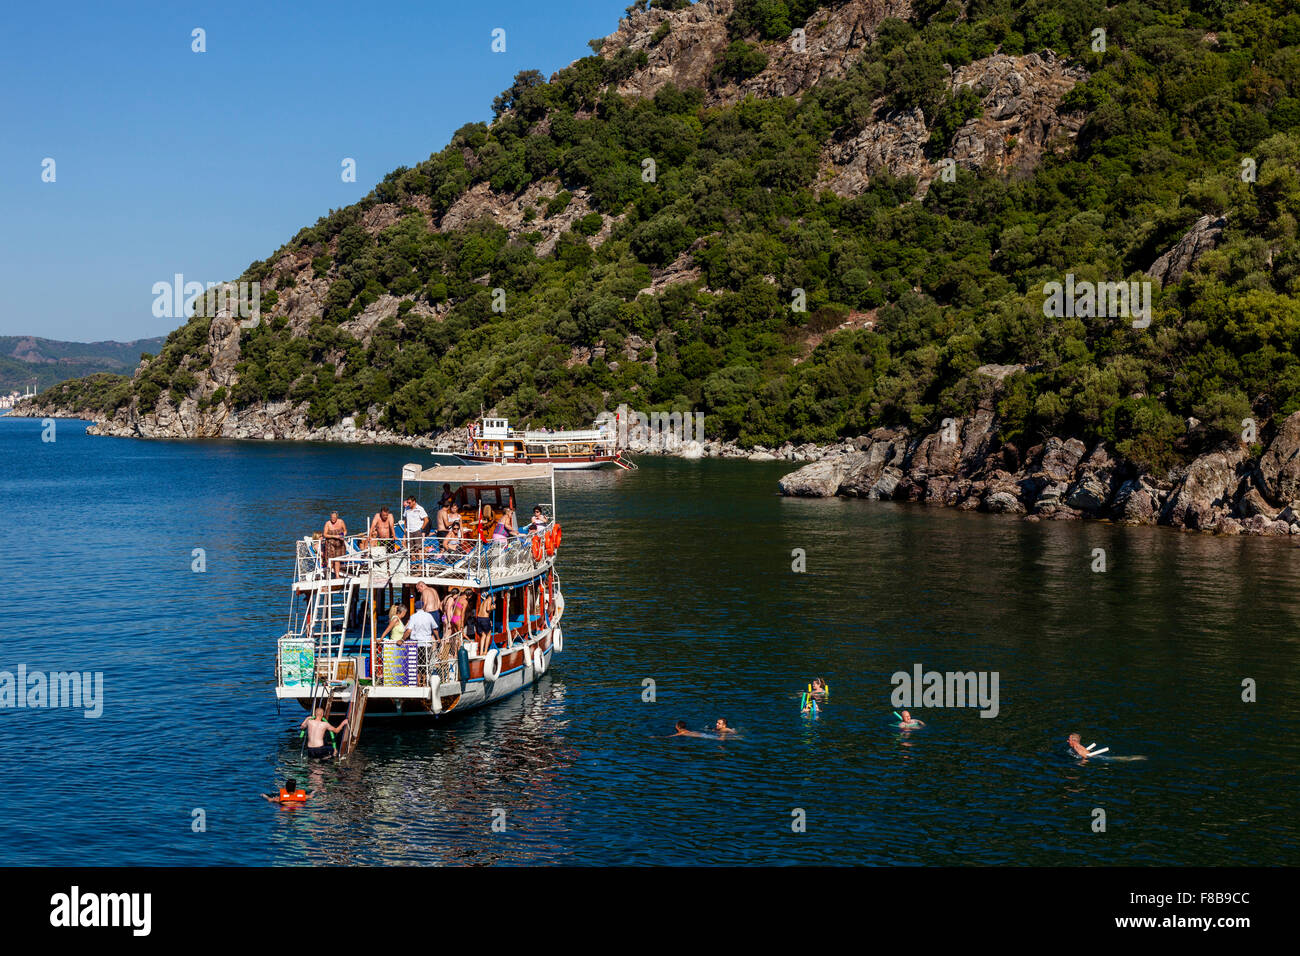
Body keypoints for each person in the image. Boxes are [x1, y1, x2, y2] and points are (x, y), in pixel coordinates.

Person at [408, 600, 436, 686]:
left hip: (417, 643)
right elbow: (434, 628)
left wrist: (402, 638)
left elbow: (409, 630)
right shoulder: (429, 616)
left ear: (415, 608)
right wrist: (438, 638)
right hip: (426, 642)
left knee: (417, 663)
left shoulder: (413, 617)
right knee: (425, 662)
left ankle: (417, 681)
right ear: (423, 607)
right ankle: (423, 682)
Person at [321, 511, 347, 577]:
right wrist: (334, 536)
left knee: (337, 560)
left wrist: (342, 535)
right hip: (330, 543)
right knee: (330, 560)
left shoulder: (341, 522)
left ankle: (337, 576)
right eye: (332, 517)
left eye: (334, 517)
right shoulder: (328, 523)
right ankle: (328, 576)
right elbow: (325, 534)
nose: (333, 519)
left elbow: (345, 530)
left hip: (339, 543)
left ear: (337, 517)